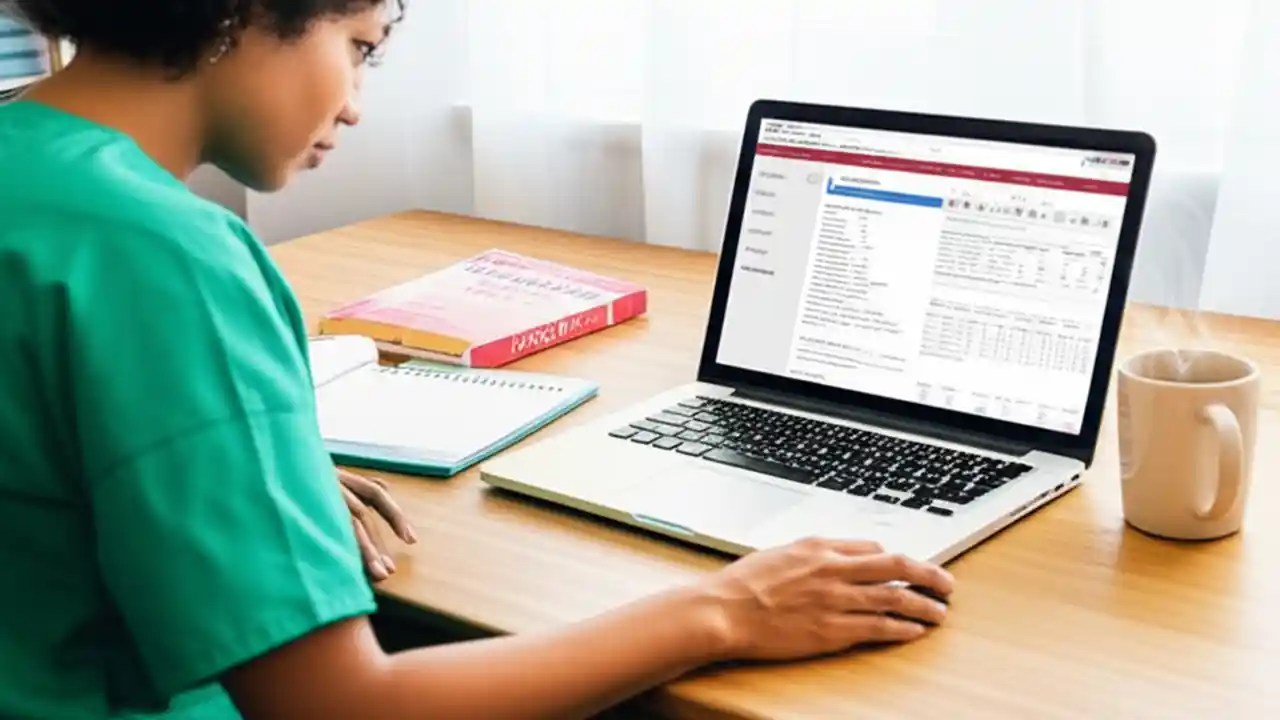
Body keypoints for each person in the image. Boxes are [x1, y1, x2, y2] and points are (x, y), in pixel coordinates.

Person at [0, 1, 955, 718]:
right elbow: (340, 708)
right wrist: (724, 609)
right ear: (243, 10)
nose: (359, 104)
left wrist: (235, 482)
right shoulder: (167, 258)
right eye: (361, 47)